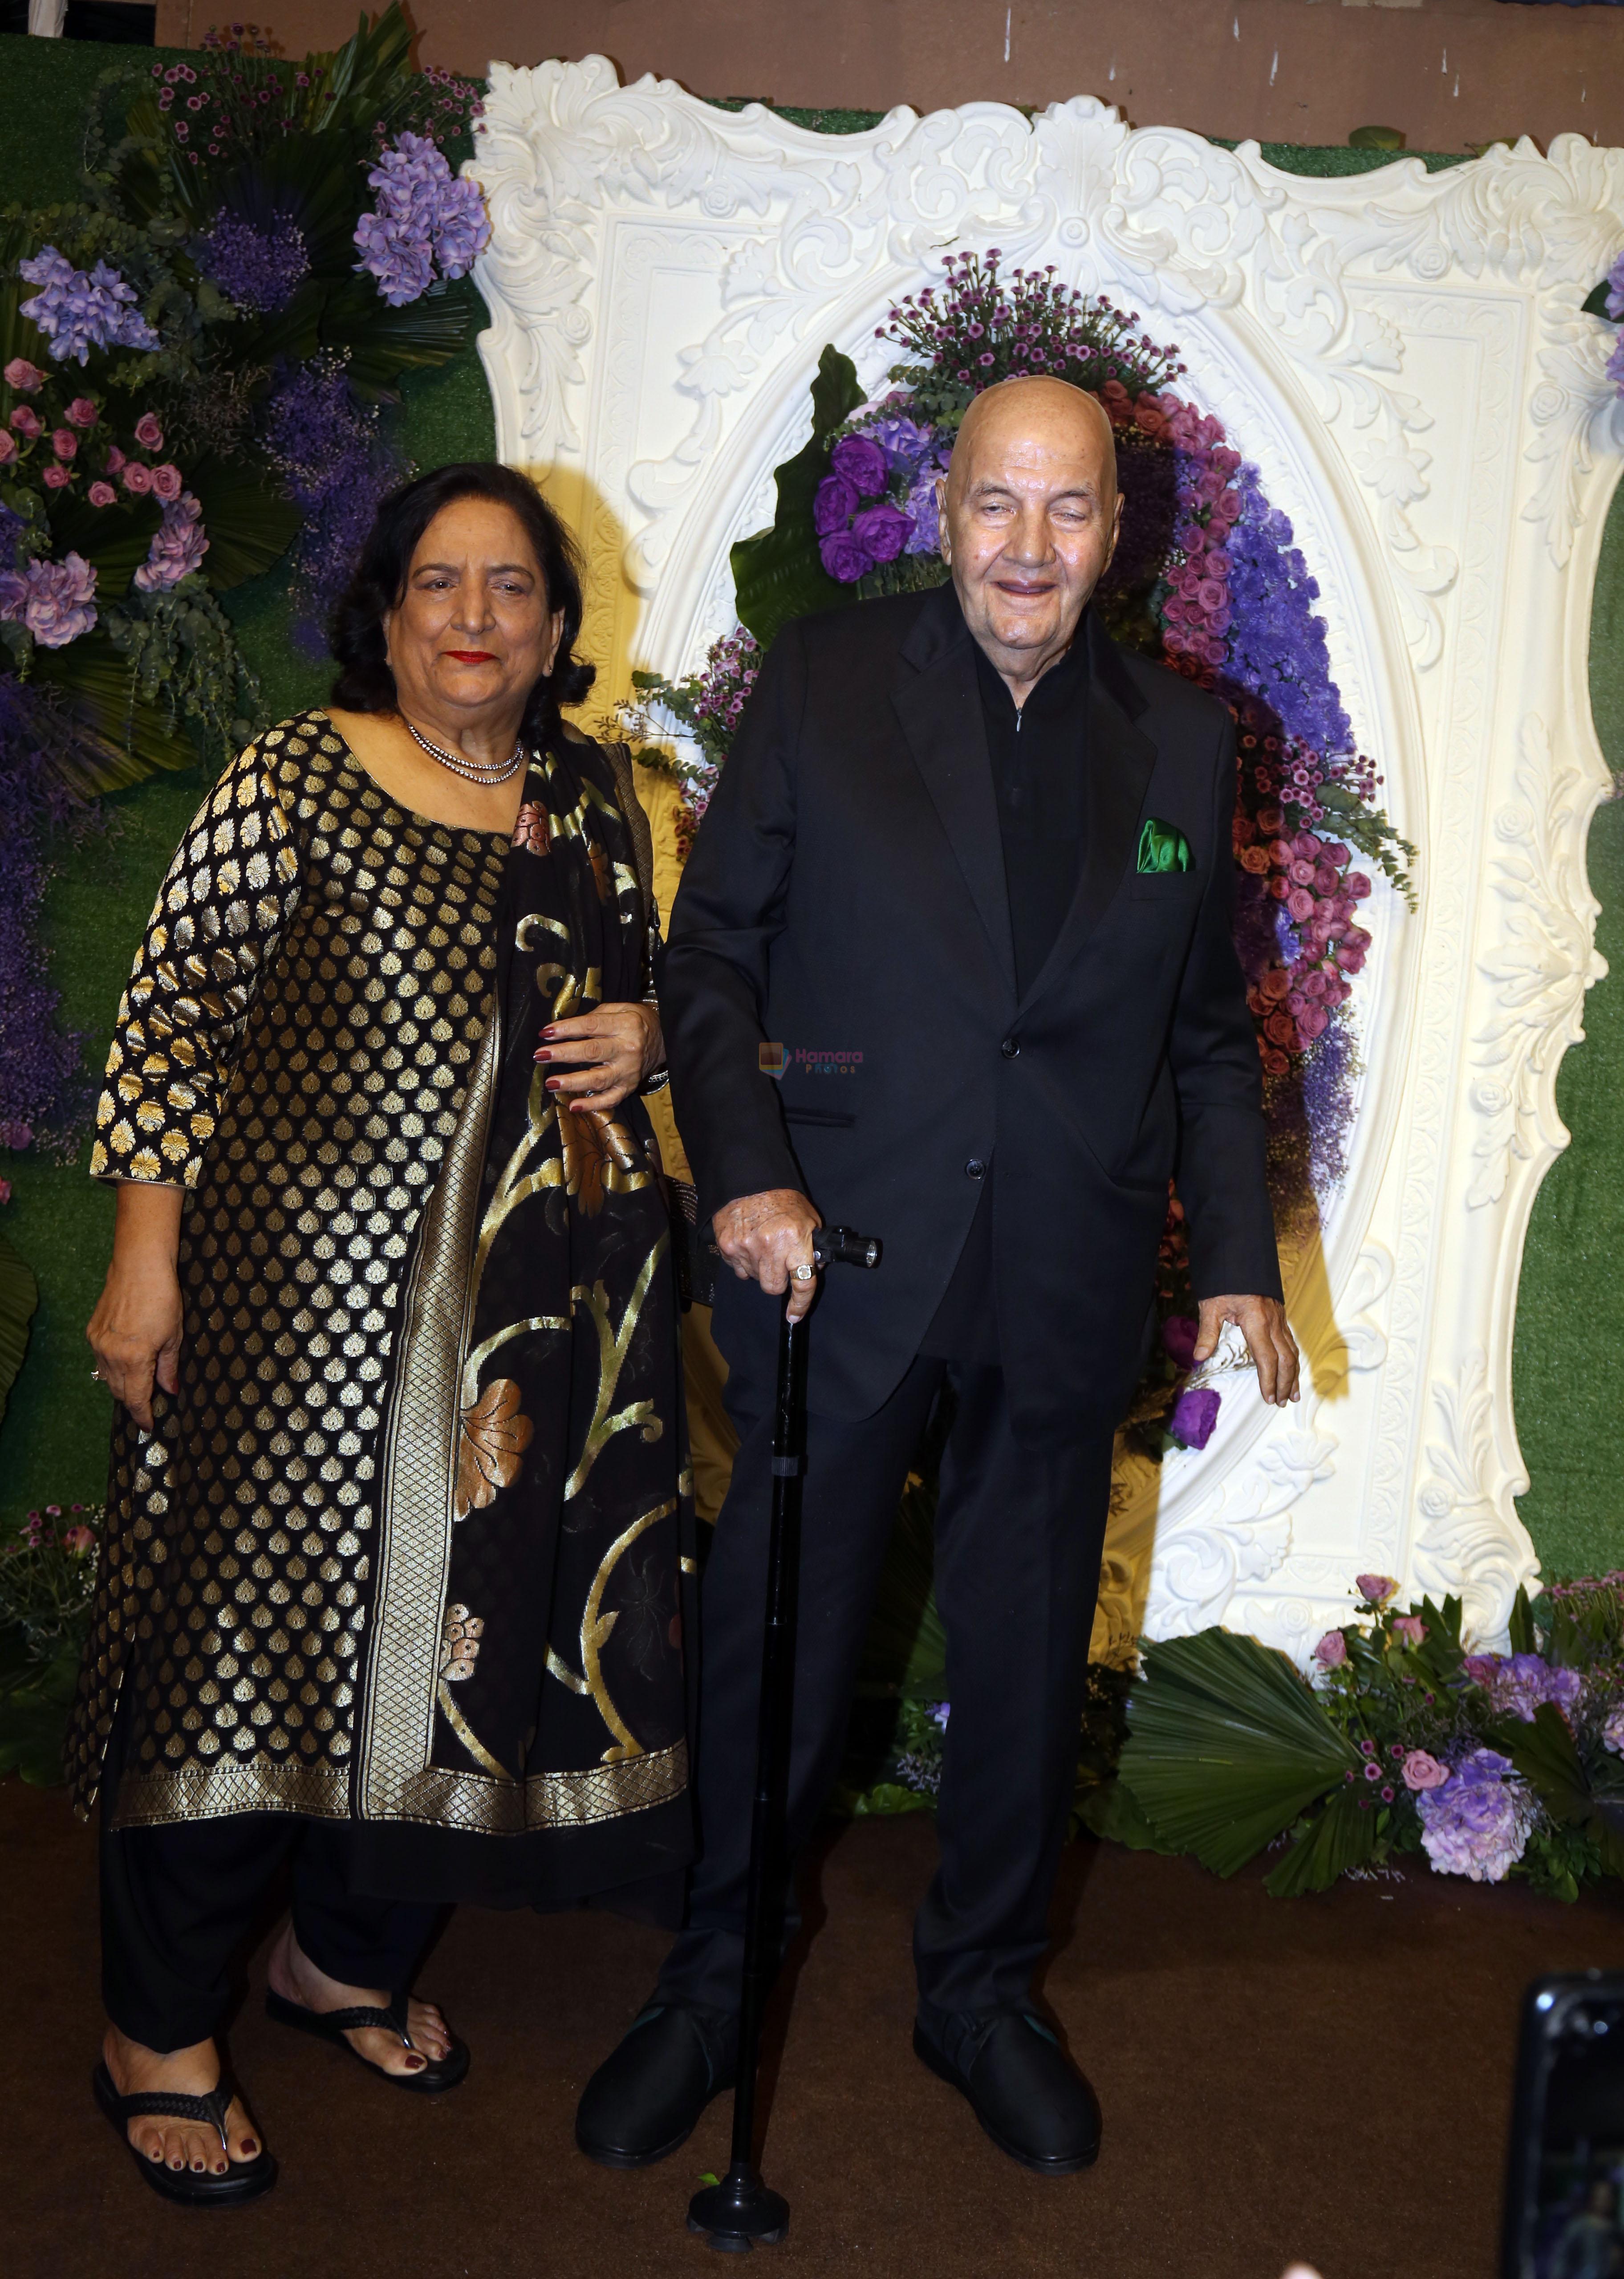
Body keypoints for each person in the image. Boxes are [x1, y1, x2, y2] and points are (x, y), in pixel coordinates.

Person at [578, 376, 1298, 2177]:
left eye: (1068, 511)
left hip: (1058, 1274)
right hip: (831, 1259)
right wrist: (741, 1173)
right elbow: (715, 956)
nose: (1030, 548)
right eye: (998, 504)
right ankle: (711, 1981)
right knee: (778, 1651)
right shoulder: (823, 684)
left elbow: (1208, 1035)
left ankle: (979, 1990)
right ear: (945, 507)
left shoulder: (1189, 747)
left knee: (1031, 1659)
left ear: (1115, 533)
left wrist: (1235, 1259)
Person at [72, 462, 692, 2203]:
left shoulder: (598, 802)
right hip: (290, 1327)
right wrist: (145, 1263)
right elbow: (171, 1023)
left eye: (512, 588)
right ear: (389, 609)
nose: (477, 618)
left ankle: (337, 1961)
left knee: (460, 1661)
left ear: (559, 626)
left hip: (522, 1342)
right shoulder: (296, 775)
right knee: (243, 1655)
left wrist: (648, 1037)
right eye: (442, 583)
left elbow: (670, 1010)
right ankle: (155, 2025)